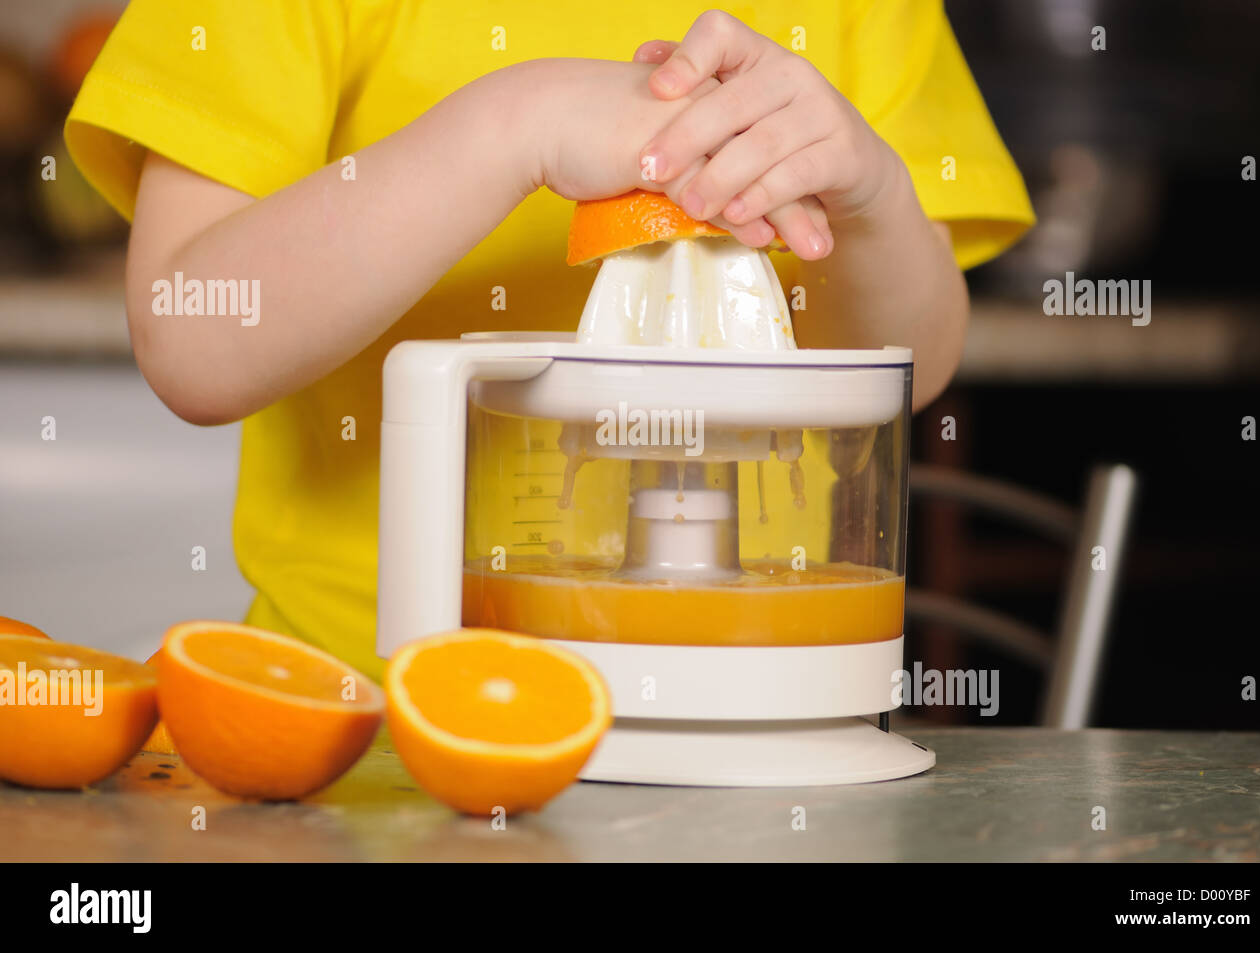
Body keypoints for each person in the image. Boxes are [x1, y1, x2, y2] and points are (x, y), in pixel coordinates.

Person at [67, 1, 1034, 681]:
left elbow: (914, 363)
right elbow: (192, 334)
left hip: (756, 718)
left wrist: (873, 200)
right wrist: (510, 127)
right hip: (367, 736)